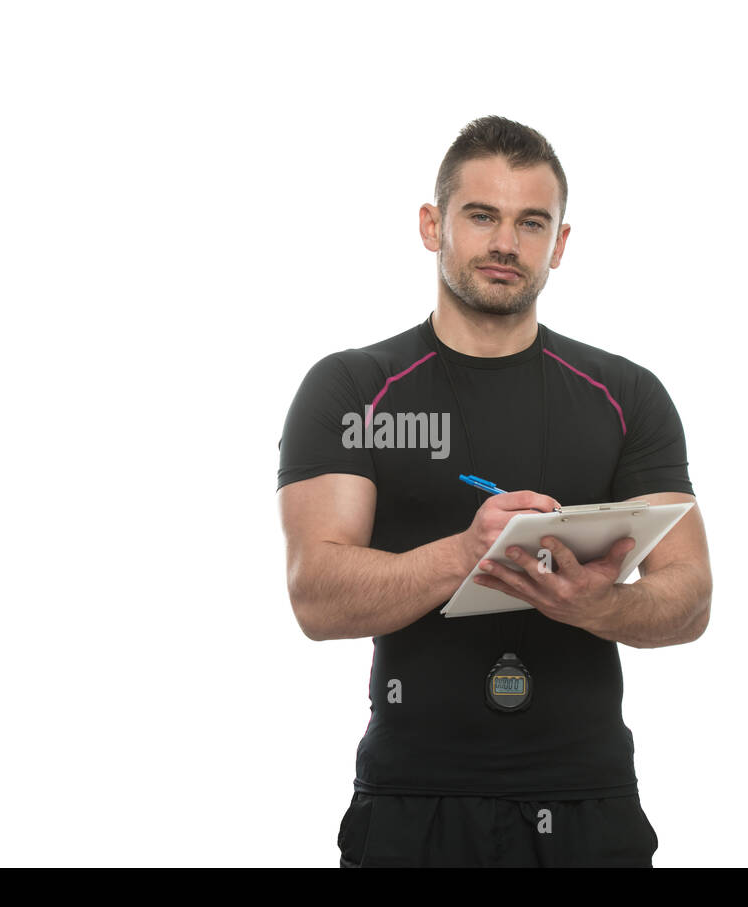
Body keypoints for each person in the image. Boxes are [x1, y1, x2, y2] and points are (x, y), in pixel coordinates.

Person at [276, 116, 712, 867]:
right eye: (481, 216)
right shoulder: (354, 390)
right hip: (414, 804)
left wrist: (598, 604)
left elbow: (692, 597)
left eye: (530, 222)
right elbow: (316, 595)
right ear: (432, 225)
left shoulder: (626, 395)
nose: (505, 242)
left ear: (560, 243)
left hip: (588, 803)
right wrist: (468, 553)